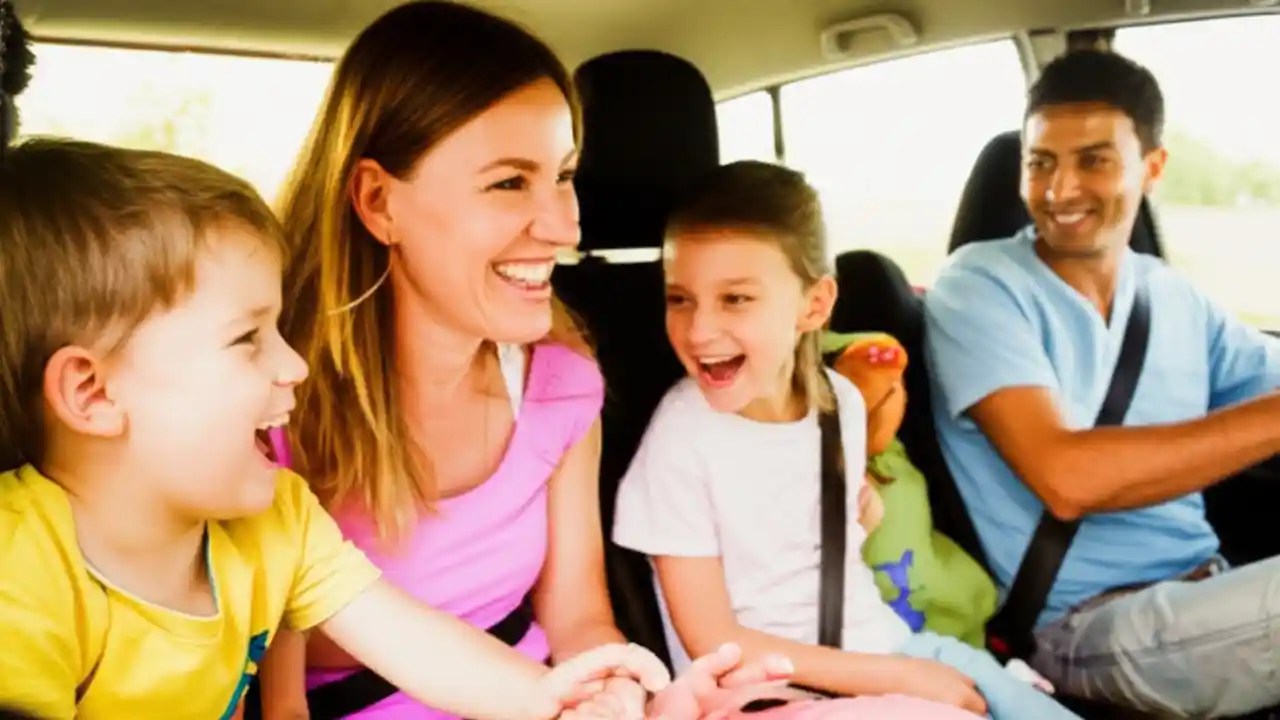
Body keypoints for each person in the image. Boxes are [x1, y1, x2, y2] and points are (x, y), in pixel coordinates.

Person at [0, 138, 671, 719]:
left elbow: (416, 644)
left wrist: (556, 700)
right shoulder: (20, 577)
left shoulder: (279, 521)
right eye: (246, 339)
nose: (294, 365)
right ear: (92, 393)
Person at [256, 3, 744, 718]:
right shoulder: (267, 405)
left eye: (565, 176)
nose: (565, 226)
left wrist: (612, 694)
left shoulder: (560, 387)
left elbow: (579, 620)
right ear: (379, 201)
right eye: (510, 183)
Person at [611, 160, 1081, 720]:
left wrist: (861, 522)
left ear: (814, 305)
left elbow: (807, 550)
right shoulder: (681, 440)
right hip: (760, 690)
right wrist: (898, 680)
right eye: (679, 299)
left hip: (881, 644)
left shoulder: (842, 404)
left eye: (735, 299)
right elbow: (713, 642)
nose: (698, 330)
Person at [924, 49, 1280, 717]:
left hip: (1207, 594)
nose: (1059, 191)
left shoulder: (1172, 296)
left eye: (1094, 160)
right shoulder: (979, 287)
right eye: (1040, 163)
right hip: (1084, 628)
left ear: (1153, 167)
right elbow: (1068, 479)